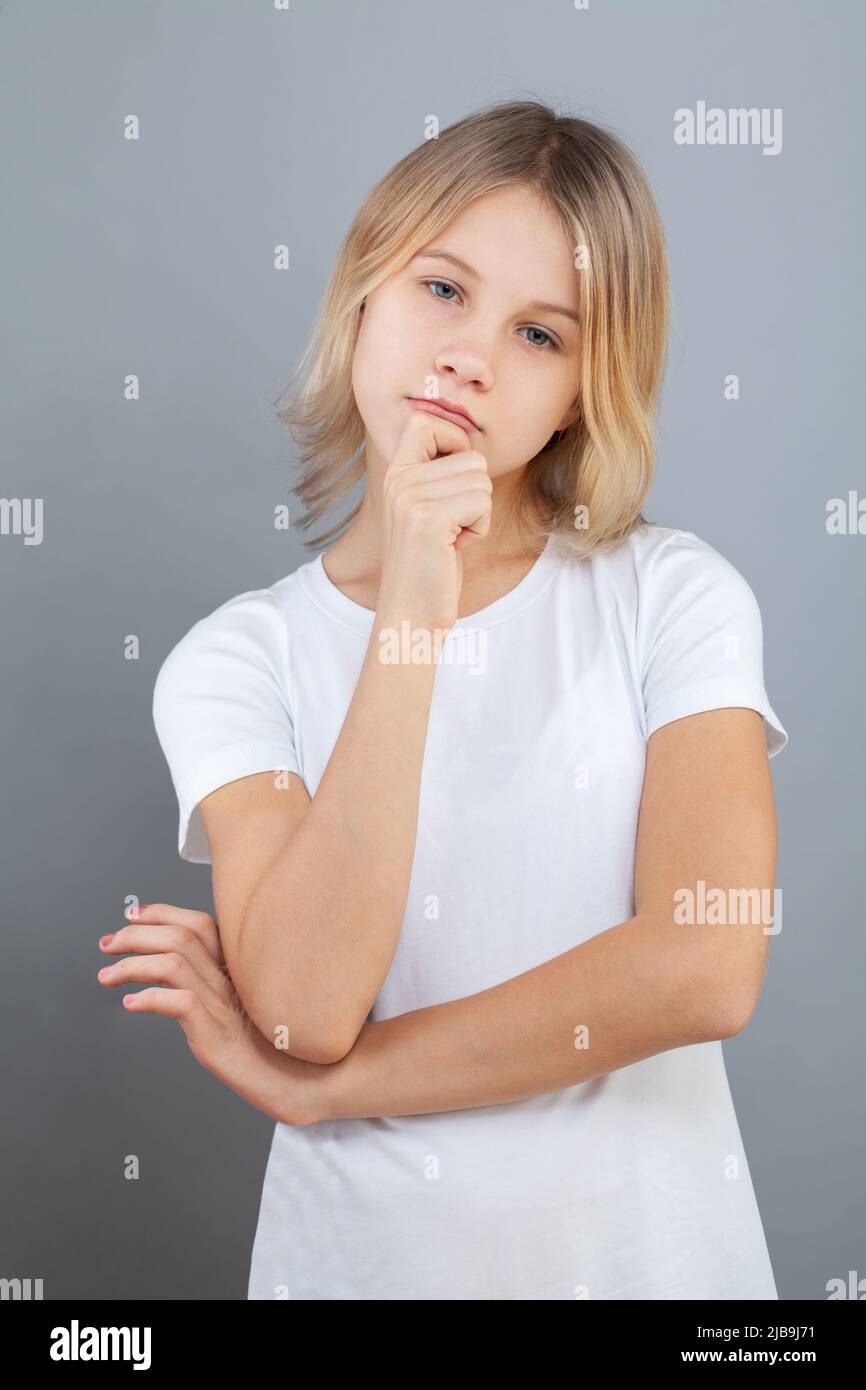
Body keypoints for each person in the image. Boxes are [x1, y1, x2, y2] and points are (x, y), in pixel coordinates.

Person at [108, 100, 789, 1299]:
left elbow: (704, 962)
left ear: (583, 389)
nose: (470, 354)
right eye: (441, 290)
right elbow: (305, 1009)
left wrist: (336, 1088)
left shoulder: (672, 597)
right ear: (362, 293)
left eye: (539, 334)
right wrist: (415, 606)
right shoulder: (236, 660)